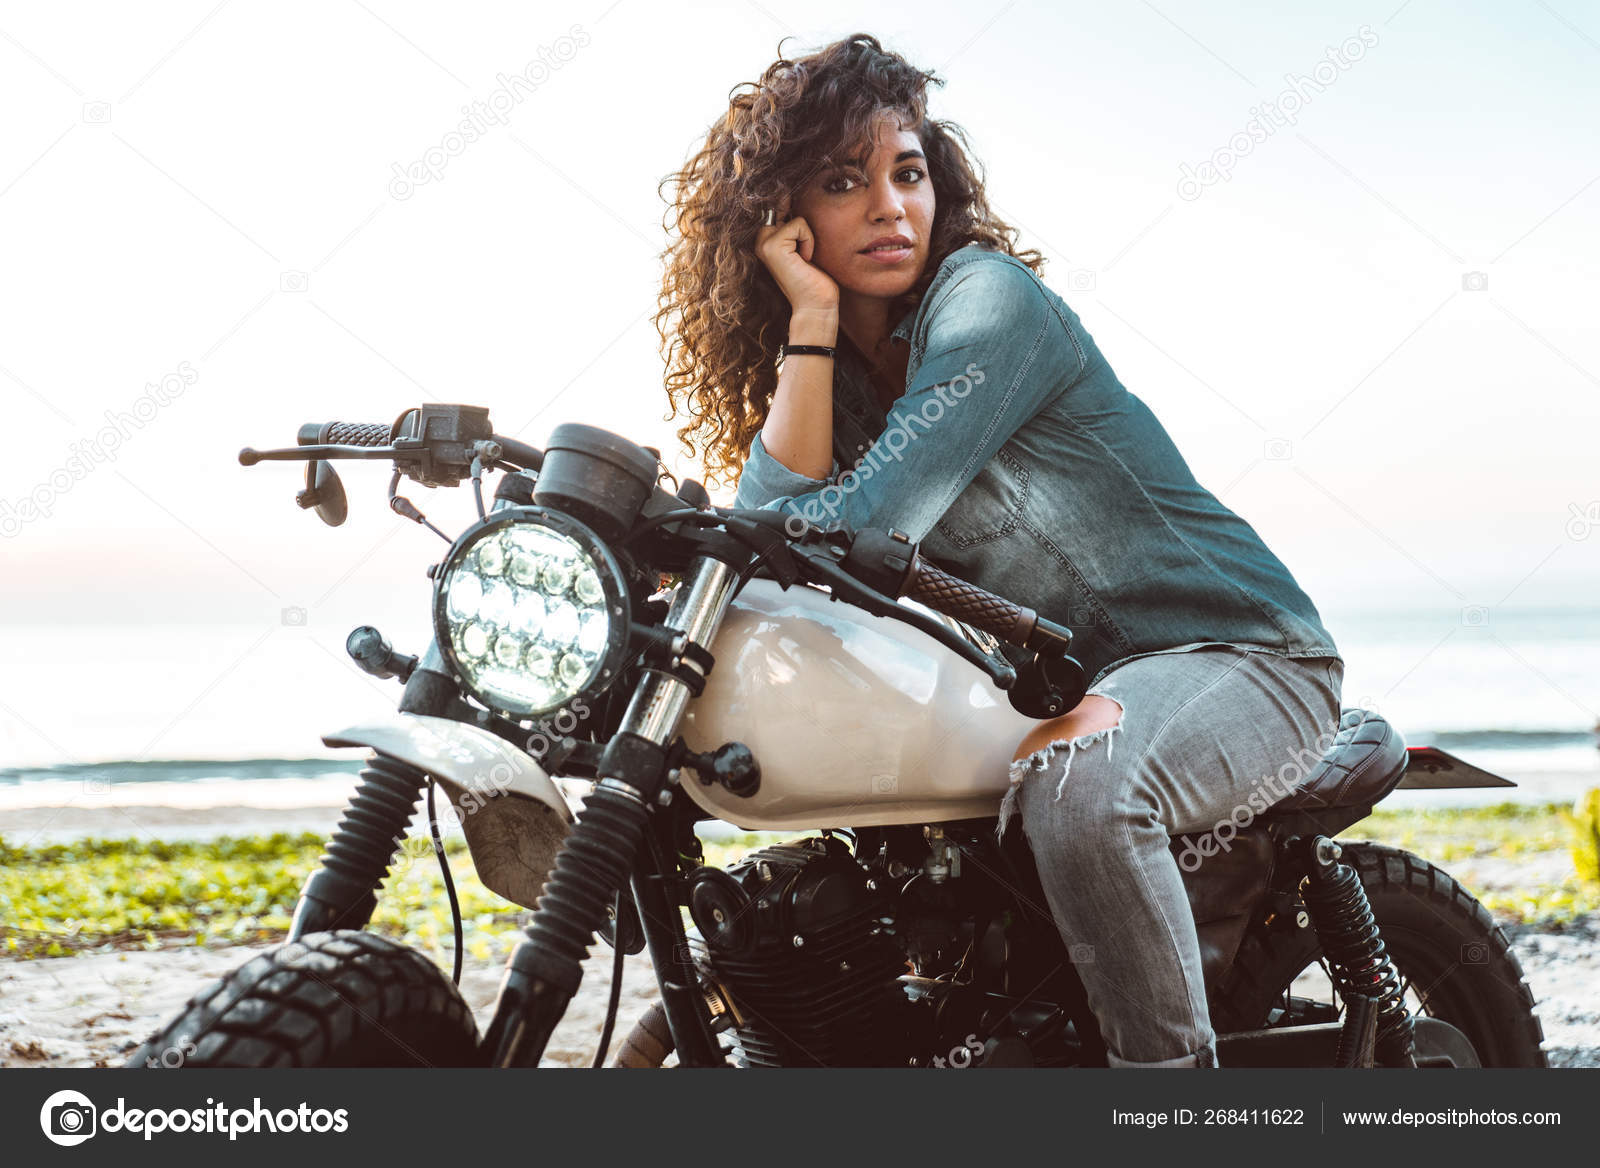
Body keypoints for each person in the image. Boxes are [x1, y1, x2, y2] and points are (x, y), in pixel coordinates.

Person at [656, 33, 1344, 1069]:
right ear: (781, 222)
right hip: (1078, 685)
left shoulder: (987, 302)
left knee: (1081, 792)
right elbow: (770, 526)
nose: (891, 207)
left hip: (1239, 656)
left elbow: (857, 526)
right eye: (845, 182)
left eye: (909, 171)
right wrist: (809, 319)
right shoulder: (841, 378)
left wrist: (771, 529)